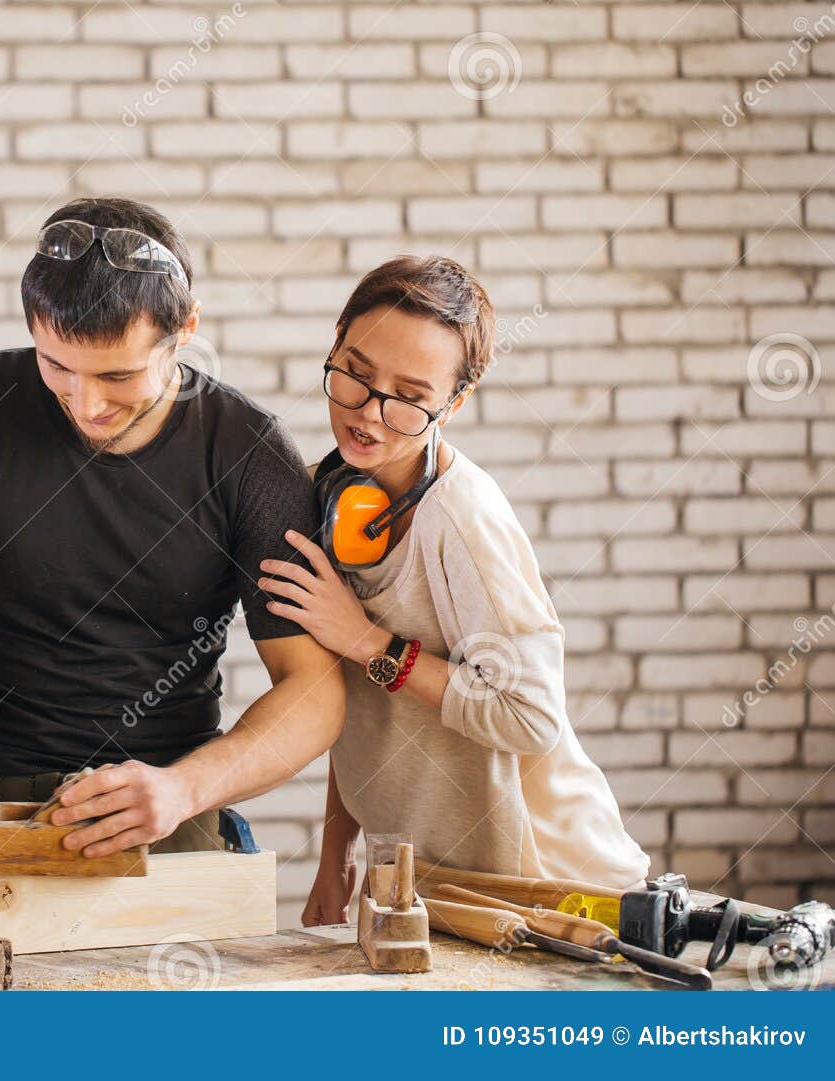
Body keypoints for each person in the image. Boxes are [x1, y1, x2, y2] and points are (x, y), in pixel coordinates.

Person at [0, 197, 345, 868]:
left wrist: (183, 789)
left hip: (160, 809)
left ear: (187, 328)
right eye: (56, 366)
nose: (86, 405)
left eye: (118, 375)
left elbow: (314, 689)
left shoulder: (248, 452)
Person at [251, 256, 650, 925]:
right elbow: (357, 707)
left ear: (452, 403)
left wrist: (368, 641)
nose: (370, 413)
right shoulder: (325, 492)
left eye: (409, 397)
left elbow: (531, 716)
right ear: (335, 345)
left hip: (550, 888)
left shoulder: (463, 519)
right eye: (355, 373)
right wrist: (336, 857)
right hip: (432, 883)